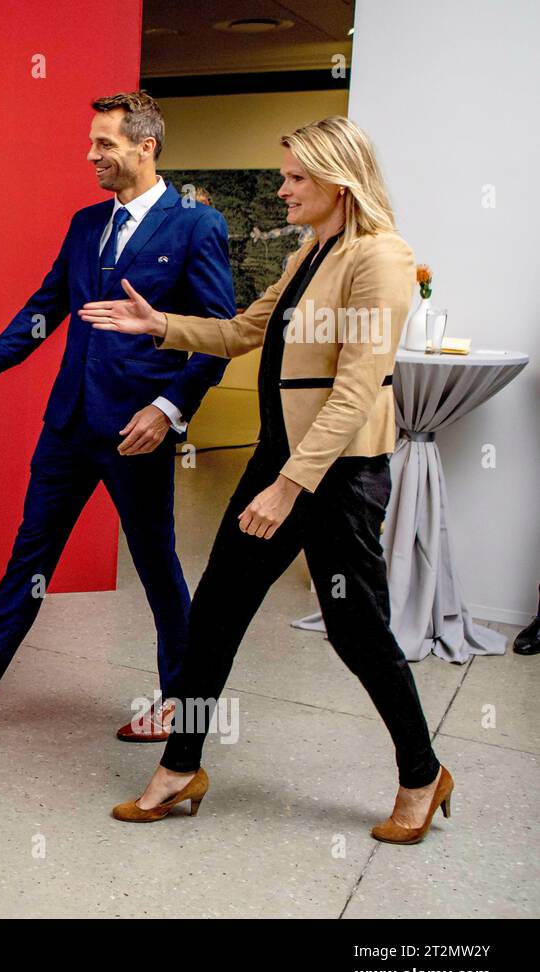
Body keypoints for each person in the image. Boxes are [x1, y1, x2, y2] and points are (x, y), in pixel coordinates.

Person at [81, 116, 454, 844]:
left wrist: (289, 486)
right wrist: (160, 323)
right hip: (278, 458)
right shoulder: (311, 253)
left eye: (294, 177)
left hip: (335, 475)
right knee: (215, 613)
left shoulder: (381, 257)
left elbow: (359, 387)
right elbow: (243, 328)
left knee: (357, 631)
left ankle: (422, 771)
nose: (282, 189)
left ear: (337, 181)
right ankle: (179, 767)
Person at [0, 91, 234, 742]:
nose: (91, 155)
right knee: (31, 558)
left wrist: (167, 410)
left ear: (145, 147)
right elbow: (44, 310)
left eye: (104, 143)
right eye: (91, 142)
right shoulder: (84, 224)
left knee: (157, 564)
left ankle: (183, 703)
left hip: (138, 429)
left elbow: (216, 336)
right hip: (68, 423)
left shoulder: (196, 225)